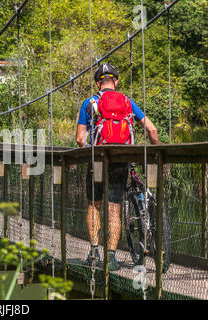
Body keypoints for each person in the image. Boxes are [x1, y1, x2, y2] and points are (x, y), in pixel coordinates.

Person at [75, 63, 159, 271]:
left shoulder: (89, 103)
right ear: (116, 82)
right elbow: (152, 129)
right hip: (121, 161)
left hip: (97, 161)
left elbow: (79, 139)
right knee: (114, 207)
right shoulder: (127, 102)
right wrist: (158, 152)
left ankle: (95, 252)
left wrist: (90, 147)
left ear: (97, 83)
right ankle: (111, 258)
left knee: (94, 204)